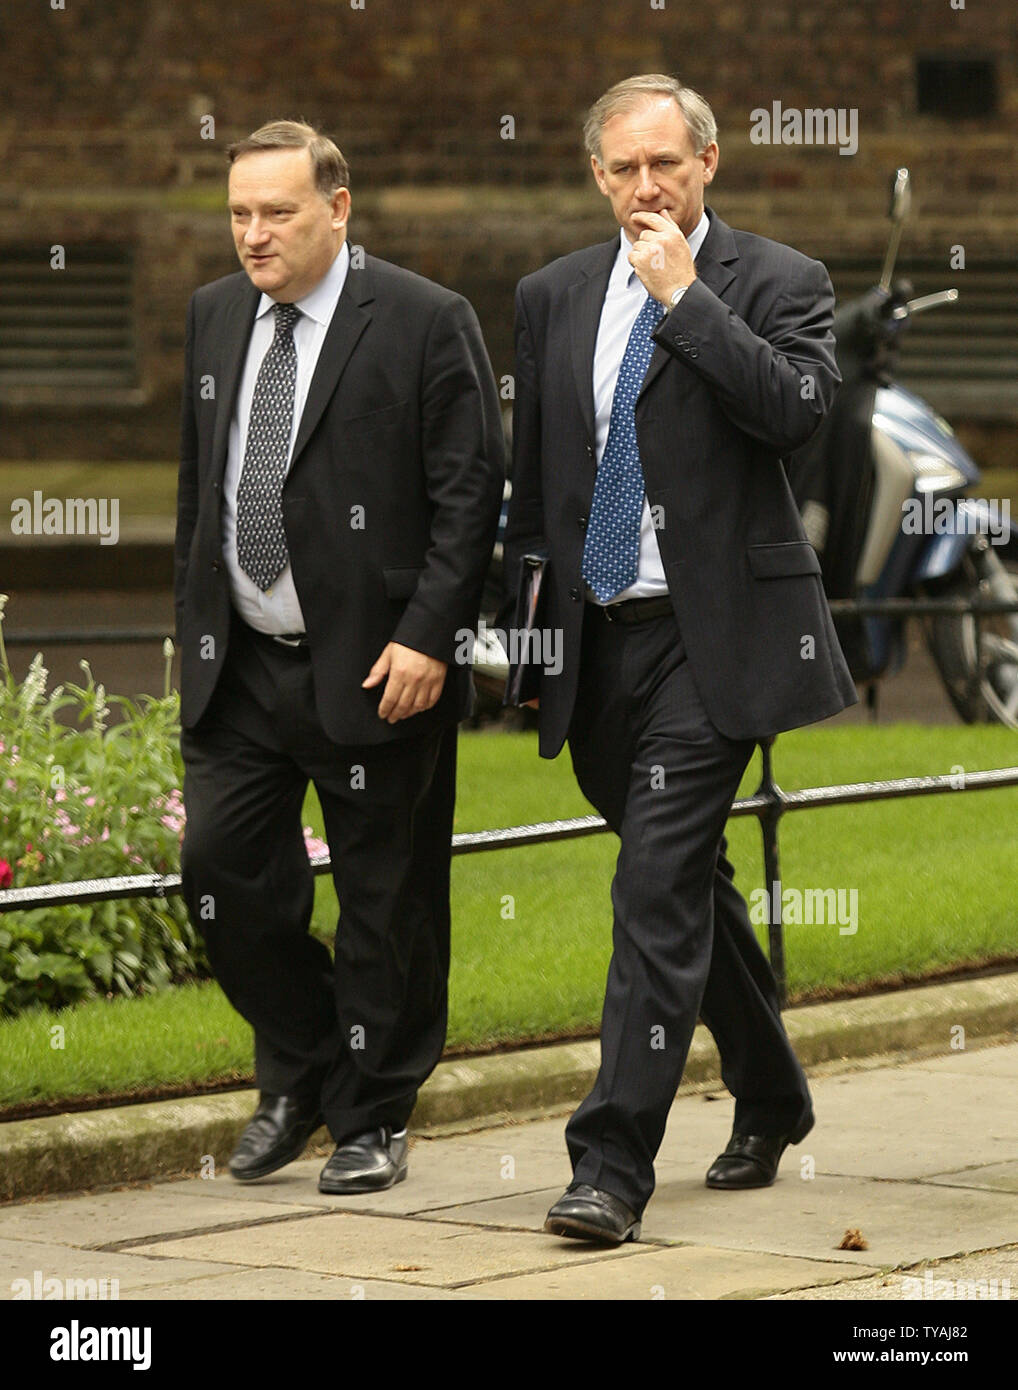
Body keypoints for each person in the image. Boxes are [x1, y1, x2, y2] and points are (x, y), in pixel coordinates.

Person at [502, 75, 856, 1244]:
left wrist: (685, 299)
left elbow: (795, 415)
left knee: (653, 886)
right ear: (595, 176)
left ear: (707, 163)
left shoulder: (782, 281)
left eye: (664, 164)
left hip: (716, 643)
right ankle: (771, 1090)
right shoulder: (550, 295)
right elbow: (540, 484)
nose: (643, 188)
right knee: (689, 881)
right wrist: (521, 634)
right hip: (601, 642)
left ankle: (608, 1164)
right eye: (621, 170)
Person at [176, 120, 503, 1195]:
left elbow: (470, 497)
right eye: (239, 214)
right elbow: (202, 490)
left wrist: (430, 637)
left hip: (376, 664)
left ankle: (371, 1114)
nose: (254, 235)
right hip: (245, 667)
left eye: (277, 212)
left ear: (338, 208)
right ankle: (312, 1059)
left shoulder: (420, 320)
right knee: (222, 870)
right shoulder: (216, 317)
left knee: (386, 901)